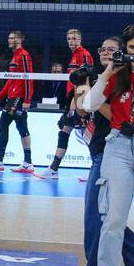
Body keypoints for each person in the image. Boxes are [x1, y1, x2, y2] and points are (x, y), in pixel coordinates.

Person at [74, 41, 134, 266]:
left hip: (108, 150)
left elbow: (108, 113)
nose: (107, 53)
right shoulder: (109, 76)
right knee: (109, 216)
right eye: (103, 50)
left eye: (112, 50)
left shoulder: (121, 77)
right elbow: (83, 108)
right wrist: (86, 85)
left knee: (100, 215)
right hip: (110, 150)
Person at [48, 28, 95, 179]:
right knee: (64, 131)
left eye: (74, 39)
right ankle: (53, 169)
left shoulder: (84, 54)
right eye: (69, 39)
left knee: (86, 135)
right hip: (71, 100)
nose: (71, 41)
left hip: (79, 102)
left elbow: (86, 81)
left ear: (80, 39)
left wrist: (77, 102)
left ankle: (95, 169)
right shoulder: (74, 56)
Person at [0, 30, 35, 173]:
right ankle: (28, 162)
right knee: (22, 128)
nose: (9, 40)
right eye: (9, 38)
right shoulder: (15, 56)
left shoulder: (24, 55)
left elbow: (28, 78)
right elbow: (11, 79)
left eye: (13, 38)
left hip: (18, 98)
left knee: (3, 124)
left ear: (20, 39)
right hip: (13, 97)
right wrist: (1, 96)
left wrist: (27, 99)